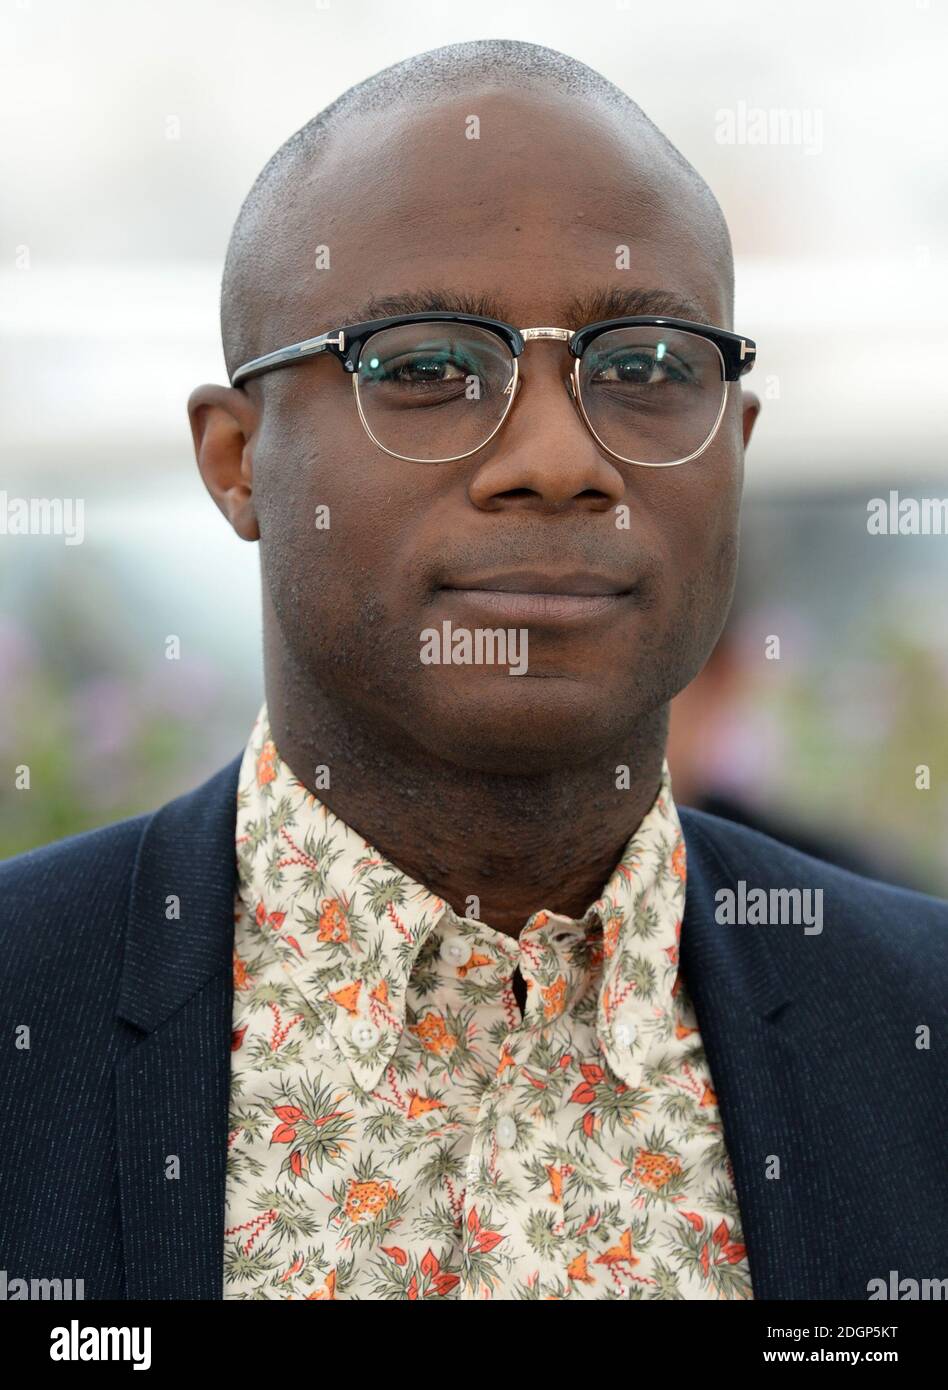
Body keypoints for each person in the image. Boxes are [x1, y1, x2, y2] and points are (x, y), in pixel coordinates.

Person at [1, 39, 945, 1302]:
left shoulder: (917, 1037)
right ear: (237, 460)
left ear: (740, 447)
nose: (556, 457)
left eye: (648, 368)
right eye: (429, 367)